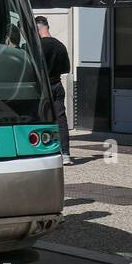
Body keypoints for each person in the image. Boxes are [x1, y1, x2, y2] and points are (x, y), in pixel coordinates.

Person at [35, 16, 72, 165]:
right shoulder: (60, 45)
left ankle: (43, 151)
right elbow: (66, 68)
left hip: (43, 87)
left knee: (40, 118)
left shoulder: (38, 46)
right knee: (61, 120)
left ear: (37, 28)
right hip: (57, 84)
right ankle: (66, 153)